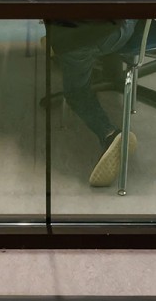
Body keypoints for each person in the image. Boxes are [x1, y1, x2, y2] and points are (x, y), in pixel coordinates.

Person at [45, 19, 143, 187]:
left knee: (76, 93)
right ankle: (112, 136)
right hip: (114, 33)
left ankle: (109, 134)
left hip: (70, 41)